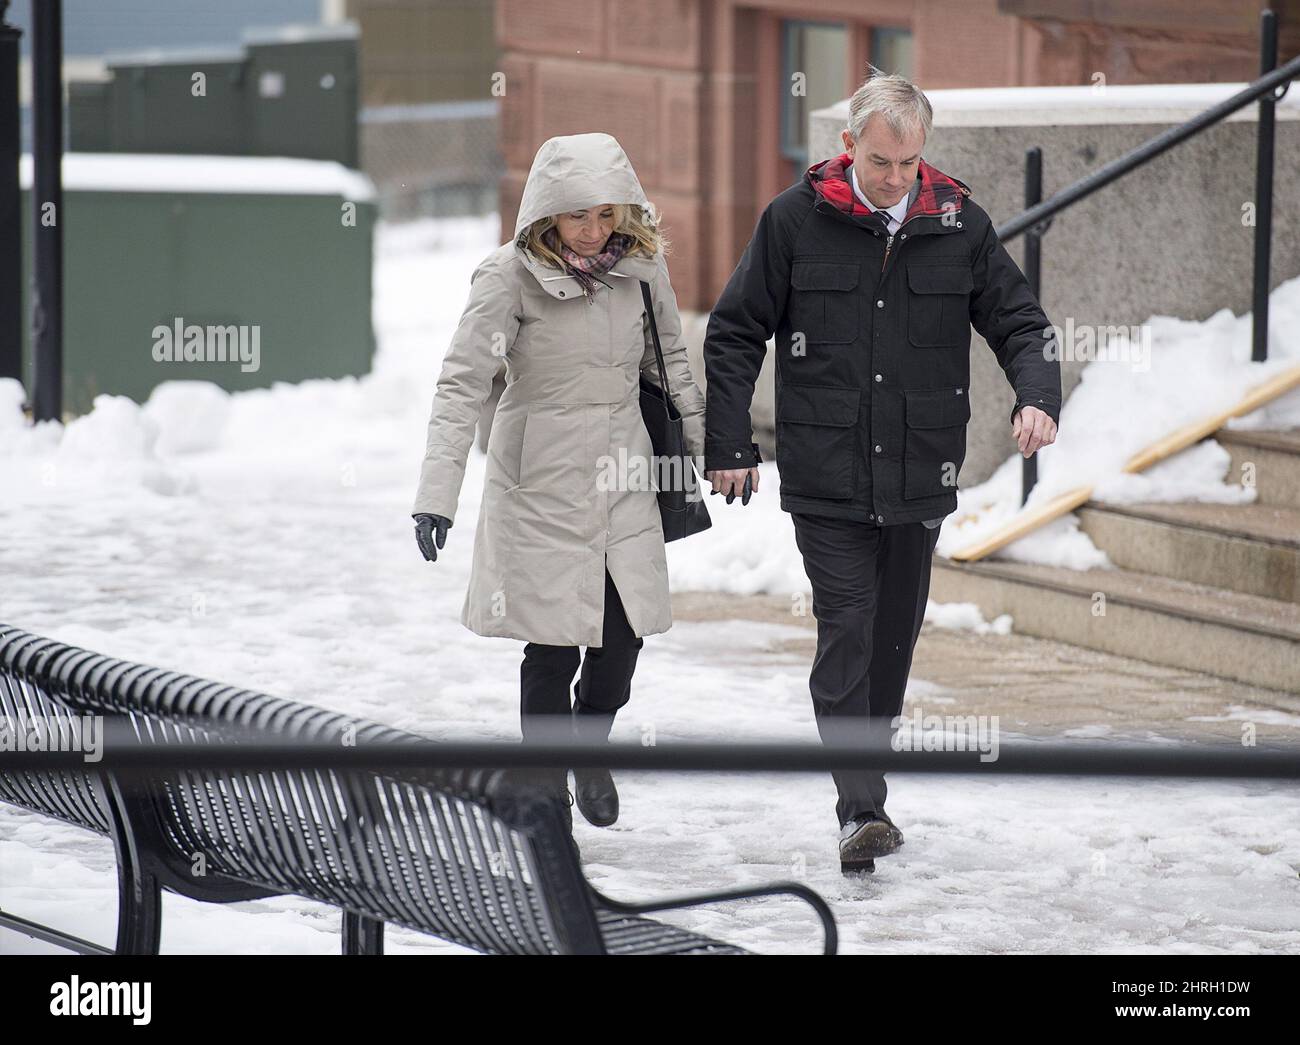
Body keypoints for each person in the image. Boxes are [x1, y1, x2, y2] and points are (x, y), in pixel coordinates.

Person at [701, 70, 1061, 873]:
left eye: (908, 163)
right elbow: (733, 332)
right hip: (825, 472)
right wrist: (730, 444)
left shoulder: (958, 225)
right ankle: (861, 808)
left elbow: (1021, 321)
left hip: (919, 471)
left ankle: (863, 790)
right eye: (880, 162)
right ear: (848, 147)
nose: (895, 179)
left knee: (892, 644)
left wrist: (1036, 395)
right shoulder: (794, 222)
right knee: (848, 630)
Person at [412, 132, 706, 831]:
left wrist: (704, 452)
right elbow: (462, 384)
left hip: (625, 470)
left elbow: (671, 364)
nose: (595, 228)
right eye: (579, 215)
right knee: (550, 643)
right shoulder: (506, 277)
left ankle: (589, 743)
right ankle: (545, 795)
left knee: (621, 640)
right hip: (536, 479)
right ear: (545, 213)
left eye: (606, 214)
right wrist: (437, 494)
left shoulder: (641, 270)